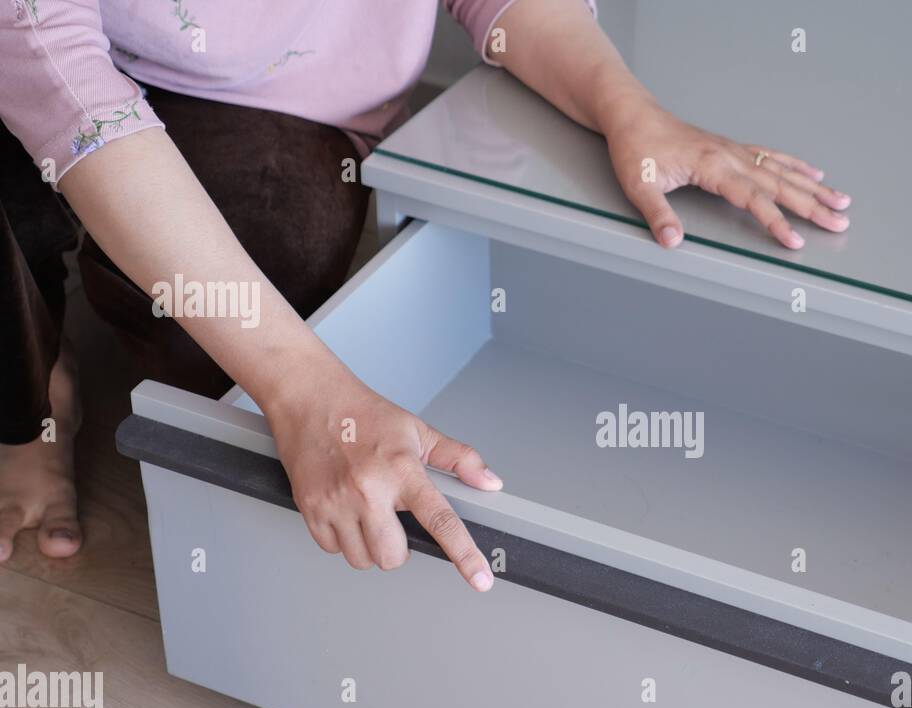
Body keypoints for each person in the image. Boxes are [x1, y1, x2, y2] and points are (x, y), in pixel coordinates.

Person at [0, 0, 850, 590]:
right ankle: (29, 396)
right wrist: (308, 392)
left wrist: (625, 107)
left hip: (270, 95)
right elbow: (58, 77)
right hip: (36, 53)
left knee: (249, 300)